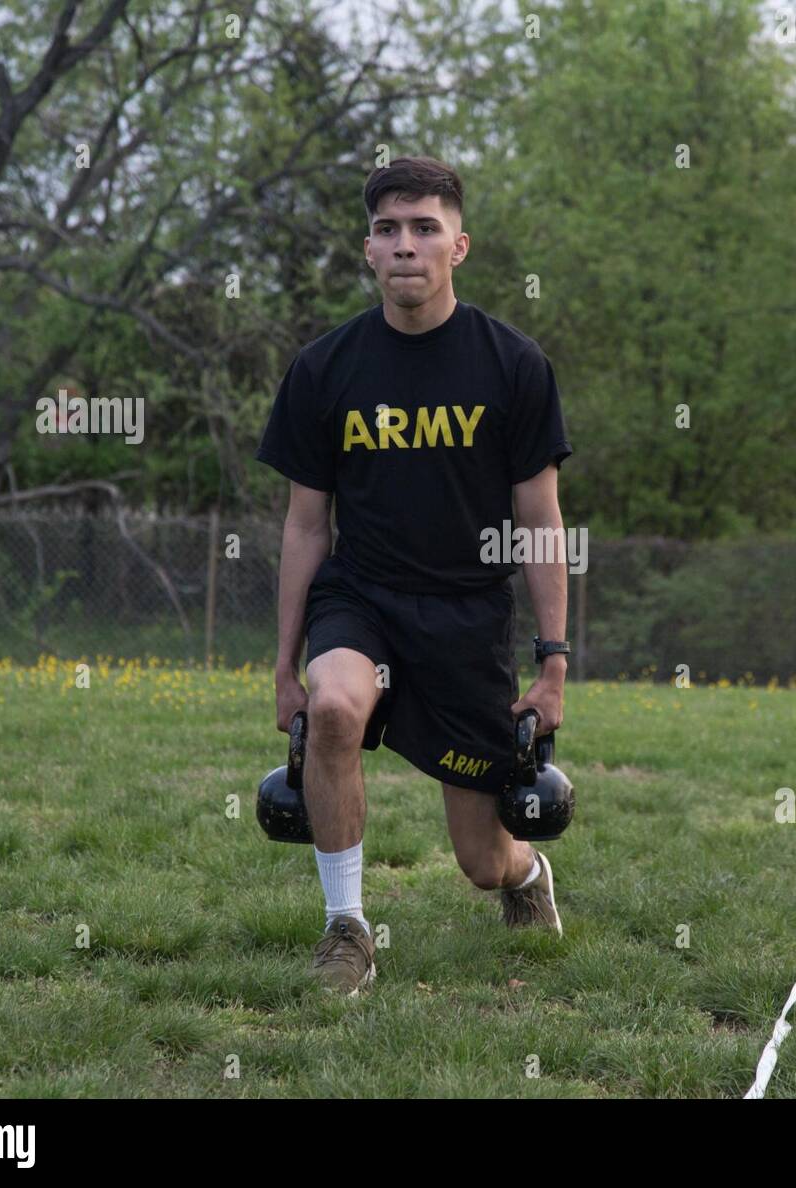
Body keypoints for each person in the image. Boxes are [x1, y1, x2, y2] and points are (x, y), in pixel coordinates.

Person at [254, 156, 574, 995]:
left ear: (458, 246)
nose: (406, 245)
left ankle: (527, 876)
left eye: (425, 228)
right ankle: (347, 931)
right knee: (335, 709)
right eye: (389, 230)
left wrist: (552, 663)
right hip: (359, 598)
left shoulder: (513, 365)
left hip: (466, 616)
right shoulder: (324, 370)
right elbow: (305, 524)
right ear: (368, 250)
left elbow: (540, 522)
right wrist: (285, 667)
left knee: (480, 861)